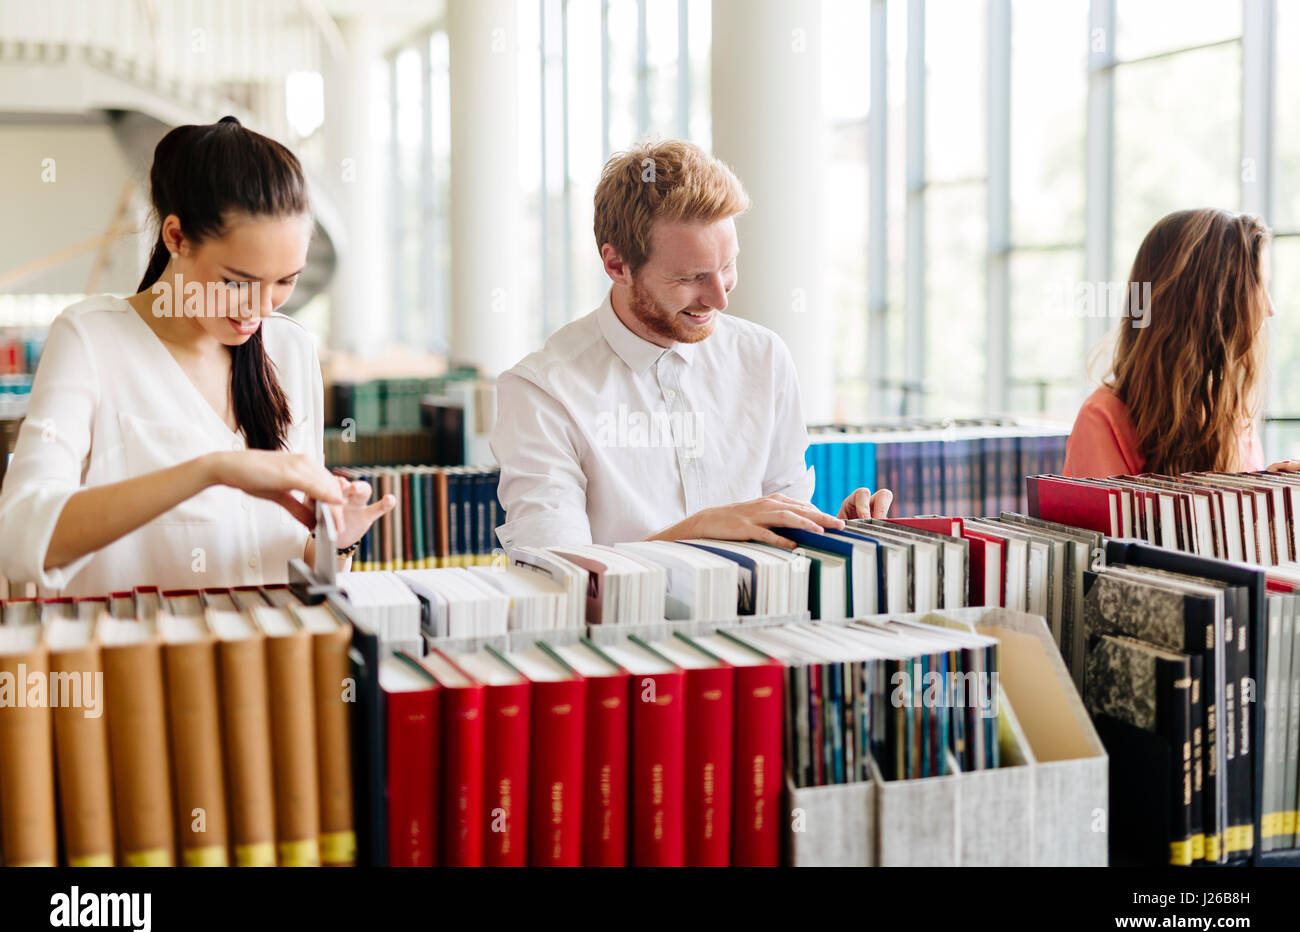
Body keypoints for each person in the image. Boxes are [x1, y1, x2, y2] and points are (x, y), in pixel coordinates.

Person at [0, 116, 395, 595]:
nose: (260, 308)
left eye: (285, 281)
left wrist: (339, 540)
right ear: (176, 237)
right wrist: (211, 471)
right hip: (143, 661)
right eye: (237, 282)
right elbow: (19, 542)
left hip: (271, 659)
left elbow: (287, 558)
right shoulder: (90, 339)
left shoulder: (290, 349)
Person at [491, 139, 892, 552]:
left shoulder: (764, 357)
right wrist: (700, 530)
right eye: (690, 278)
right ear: (617, 265)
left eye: (727, 266)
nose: (720, 298)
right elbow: (558, 572)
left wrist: (831, 535)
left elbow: (781, 532)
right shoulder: (541, 391)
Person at [1065, 207, 1297, 478]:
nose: (1270, 309)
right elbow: (1121, 522)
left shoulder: (1232, 412)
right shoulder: (1103, 419)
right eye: (1258, 286)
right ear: (1212, 305)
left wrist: (1266, 495)